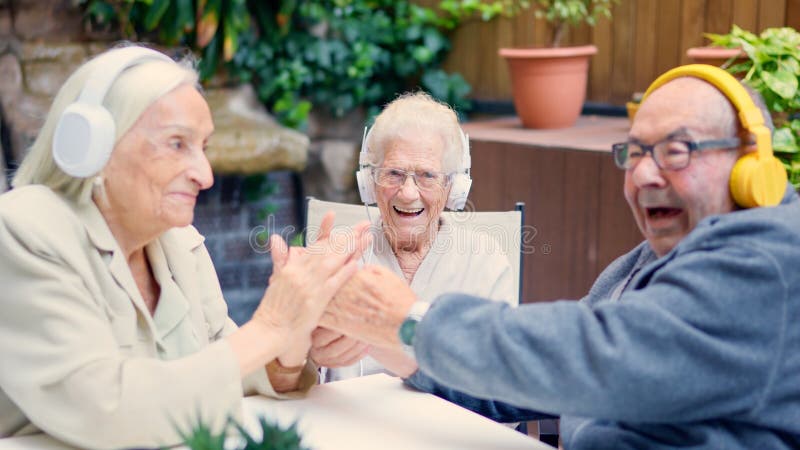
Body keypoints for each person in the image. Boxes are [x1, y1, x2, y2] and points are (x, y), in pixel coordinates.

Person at [318, 64, 800, 449]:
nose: (645, 175)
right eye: (634, 153)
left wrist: (410, 324)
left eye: (675, 151)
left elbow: (591, 354)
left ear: (750, 164)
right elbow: (531, 377)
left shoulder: (768, 261)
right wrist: (415, 359)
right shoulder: (640, 264)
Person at [0, 44, 369, 449]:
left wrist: (292, 340)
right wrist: (273, 325)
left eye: (204, 147)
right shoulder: (22, 229)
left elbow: (229, 369)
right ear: (92, 145)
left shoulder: (177, 242)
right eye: (178, 144)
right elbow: (106, 413)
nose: (205, 175)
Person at [309, 92, 516, 382]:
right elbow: (292, 381)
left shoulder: (485, 261)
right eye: (393, 173)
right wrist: (306, 353)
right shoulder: (336, 255)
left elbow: (504, 387)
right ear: (369, 182)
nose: (408, 193)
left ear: (454, 187)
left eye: (427, 175)